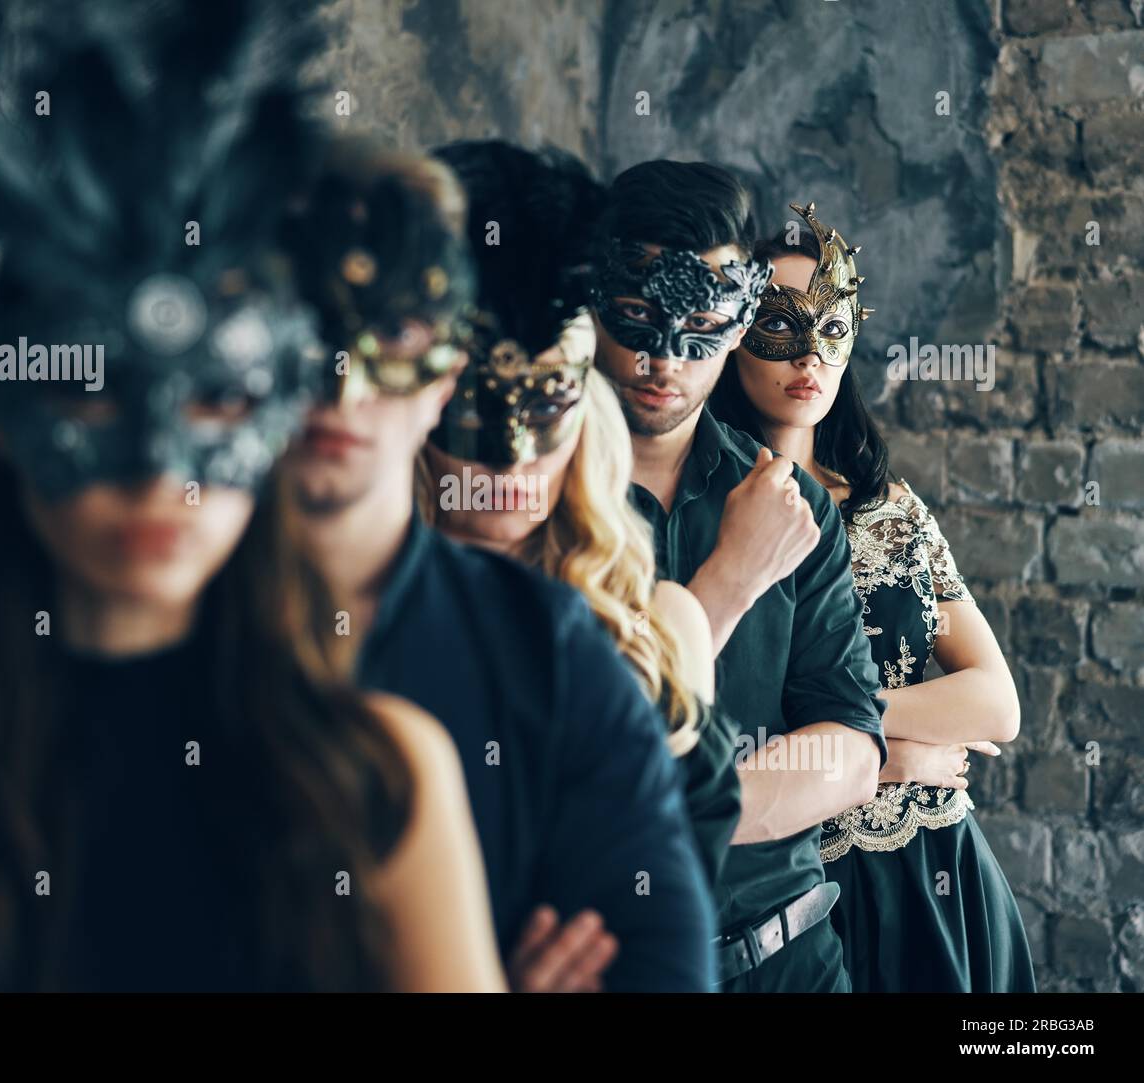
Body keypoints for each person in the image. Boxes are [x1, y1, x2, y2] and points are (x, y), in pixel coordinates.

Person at [0, 0, 505, 993]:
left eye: (217, 395)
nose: (160, 470)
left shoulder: (381, 781)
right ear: (7, 389)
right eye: (93, 390)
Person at [280, 139, 718, 993]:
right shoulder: (176, 617)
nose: (509, 458)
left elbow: (662, 960)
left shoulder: (563, 650)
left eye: (394, 336)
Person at [708, 203, 1035, 992]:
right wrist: (894, 750)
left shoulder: (894, 510)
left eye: (830, 326)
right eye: (778, 324)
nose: (808, 354)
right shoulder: (707, 508)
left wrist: (857, 729)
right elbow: (716, 728)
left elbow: (996, 703)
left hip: (941, 866)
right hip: (803, 898)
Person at [423, 140, 741, 921]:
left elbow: (666, 920)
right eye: (476, 400)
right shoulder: (347, 611)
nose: (514, 451)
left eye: (543, 400)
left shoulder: (662, 627)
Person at [589, 160, 886, 992]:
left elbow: (852, 751)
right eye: (639, 317)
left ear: (738, 318)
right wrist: (734, 574)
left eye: (700, 324)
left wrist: (660, 818)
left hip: (792, 959)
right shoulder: (537, 506)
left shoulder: (792, 507)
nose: (664, 360)